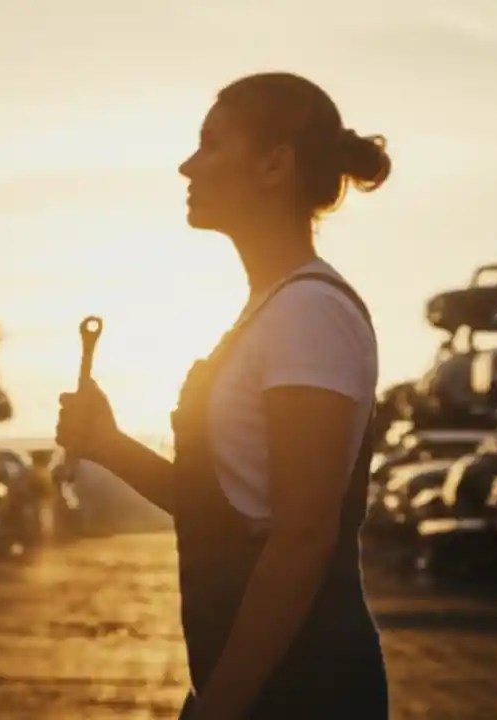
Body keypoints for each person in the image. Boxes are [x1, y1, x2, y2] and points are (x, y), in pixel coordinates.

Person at [57, 72, 391, 718]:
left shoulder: (309, 315)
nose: (187, 164)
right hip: (263, 687)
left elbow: (301, 538)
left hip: (303, 692)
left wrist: (219, 708)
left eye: (210, 144)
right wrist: (108, 444)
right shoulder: (271, 312)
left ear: (274, 165)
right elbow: (227, 511)